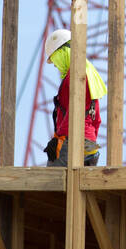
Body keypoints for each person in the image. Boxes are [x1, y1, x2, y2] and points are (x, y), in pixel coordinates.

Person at [42, 28, 105, 167]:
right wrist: (90, 137)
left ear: (63, 52)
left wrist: (58, 139)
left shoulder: (76, 74)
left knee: (49, 183)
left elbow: (75, 112)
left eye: (55, 59)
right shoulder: (89, 72)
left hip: (74, 139)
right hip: (89, 143)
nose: (56, 66)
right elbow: (96, 119)